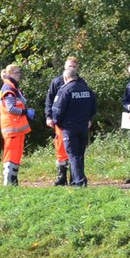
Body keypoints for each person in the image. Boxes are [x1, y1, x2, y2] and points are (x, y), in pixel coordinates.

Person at [50, 59, 97, 187]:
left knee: (73, 155)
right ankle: (76, 180)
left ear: (65, 78)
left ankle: (80, 182)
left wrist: (58, 123)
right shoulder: (86, 89)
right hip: (83, 127)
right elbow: (93, 108)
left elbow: (57, 111)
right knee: (80, 155)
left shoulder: (64, 91)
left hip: (69, 128)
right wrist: (87, 119)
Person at [43, 57, 80, 186]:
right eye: (69, 66)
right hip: (60, 121)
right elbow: (49, 100)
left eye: (74, 67)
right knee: (60, 149)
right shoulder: (57, 82)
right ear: (64, 66)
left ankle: (74, 178)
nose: (71, 69)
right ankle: (61, 176)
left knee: (75, 150)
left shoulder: (81, 82)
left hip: (75, 122)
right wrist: (48, 117)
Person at [0, 64, 35, 186]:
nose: (19, 75)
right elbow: (10, 108)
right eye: (16, 73)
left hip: (17, 127)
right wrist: (25, 112)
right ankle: (8, 182)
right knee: (11, 154)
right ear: (10, 74)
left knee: (16, 154)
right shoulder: (9, 88)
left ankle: (13, 181)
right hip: (11, 127)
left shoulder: (14, 88)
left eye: (19, 73)